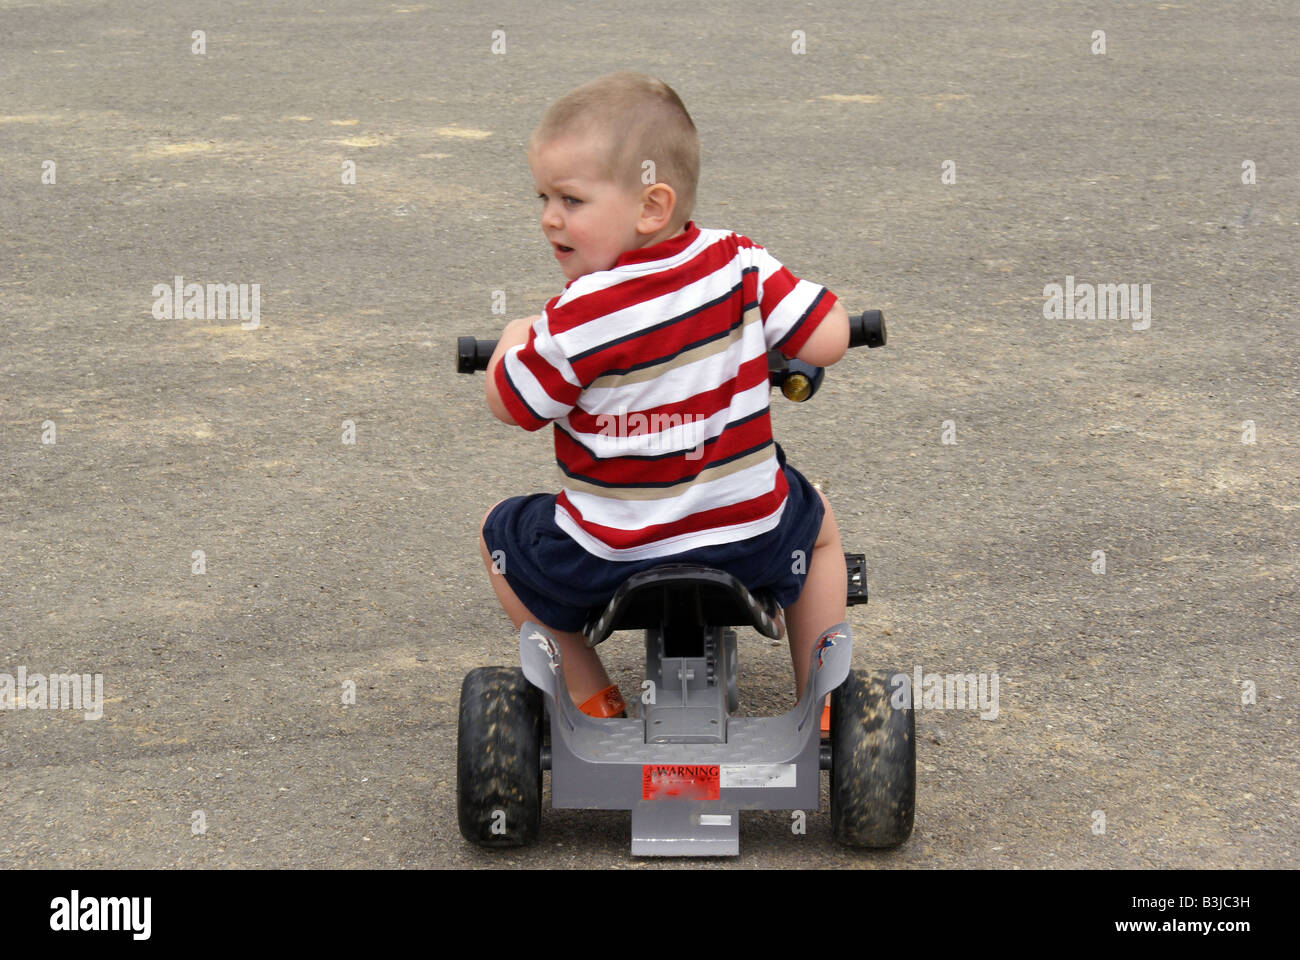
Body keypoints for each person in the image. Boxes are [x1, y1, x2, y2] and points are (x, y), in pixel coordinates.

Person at [478, 72, 849, 730]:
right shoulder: (740, 263)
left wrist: (512, 342)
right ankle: (824, 701)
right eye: (543, 197)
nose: (548, 218)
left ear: (651, 205)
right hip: (748, 541)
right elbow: (826, 339)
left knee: (499, 536)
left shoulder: (571, 320)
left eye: (570, 199)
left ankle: (587, 694)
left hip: (608, 556)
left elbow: (513, 403)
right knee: (816, 527)